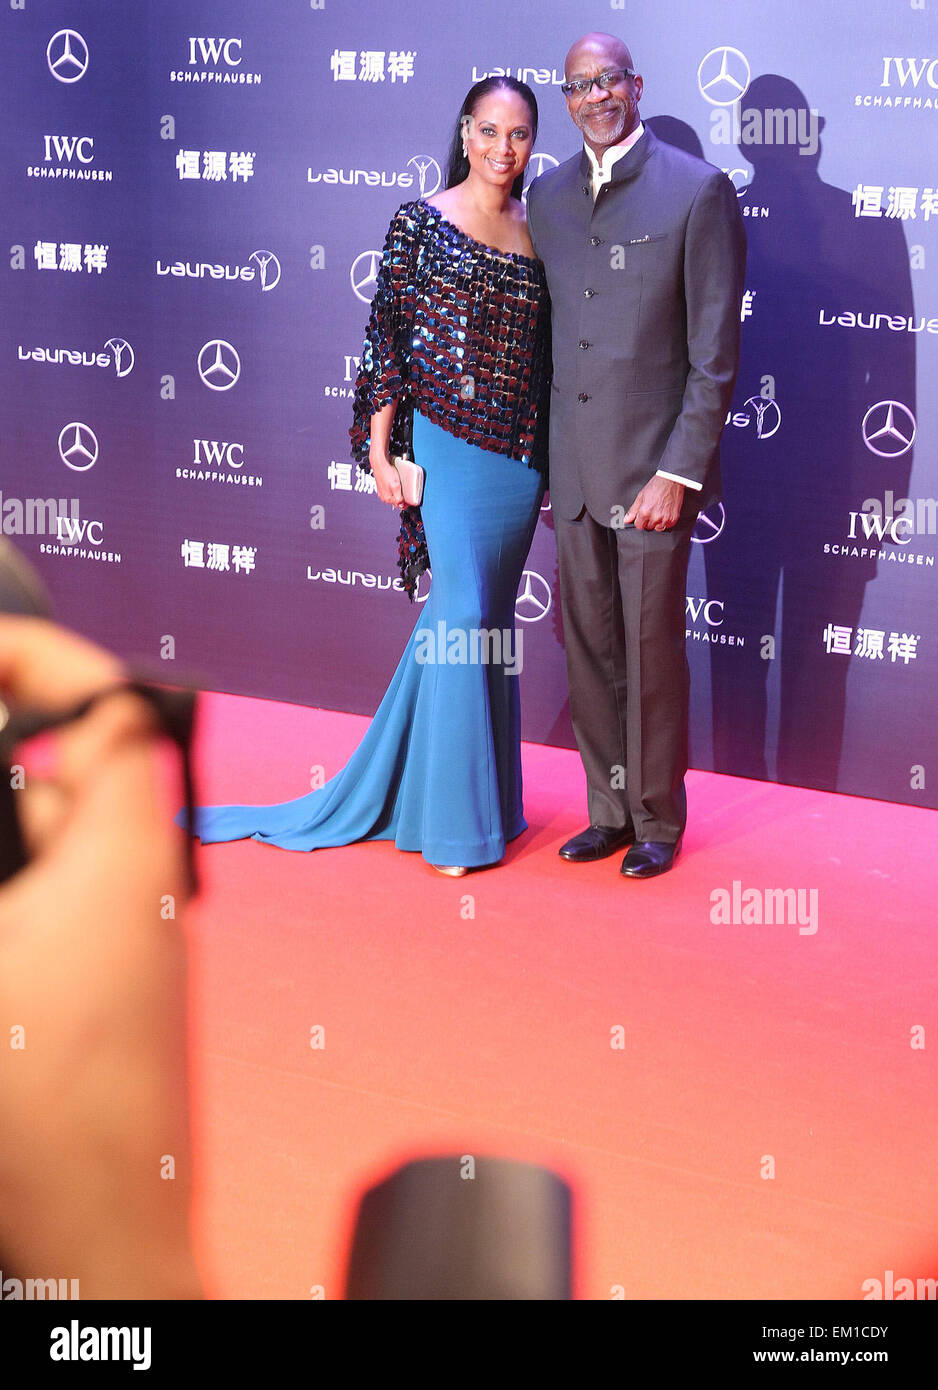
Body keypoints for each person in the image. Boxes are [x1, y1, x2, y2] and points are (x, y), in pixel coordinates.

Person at [176, 77, 550, 876]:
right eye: (488, 131)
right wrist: (381, 453)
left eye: (518, 134)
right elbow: (387, 342)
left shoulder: (543, 226)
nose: (502, 149)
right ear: (465, 131)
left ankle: (467, 801)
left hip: (517, 461)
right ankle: (454, 828)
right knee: (459, 613)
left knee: (480, 627)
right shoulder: (420, 220)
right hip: (445, 451)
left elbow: (550, 357)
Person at [525, 32, 746, 879]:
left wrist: (677, 472)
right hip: (575, 471)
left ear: (635, 84)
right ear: (569, 98)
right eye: (579, 85)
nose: (596, 96)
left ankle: (658, 820)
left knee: (652, 654)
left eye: (608, 79)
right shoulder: (545, 197)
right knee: (590, 649)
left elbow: (713, 354)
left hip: (655, 474)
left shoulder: (697, 191)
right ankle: (608, 811)